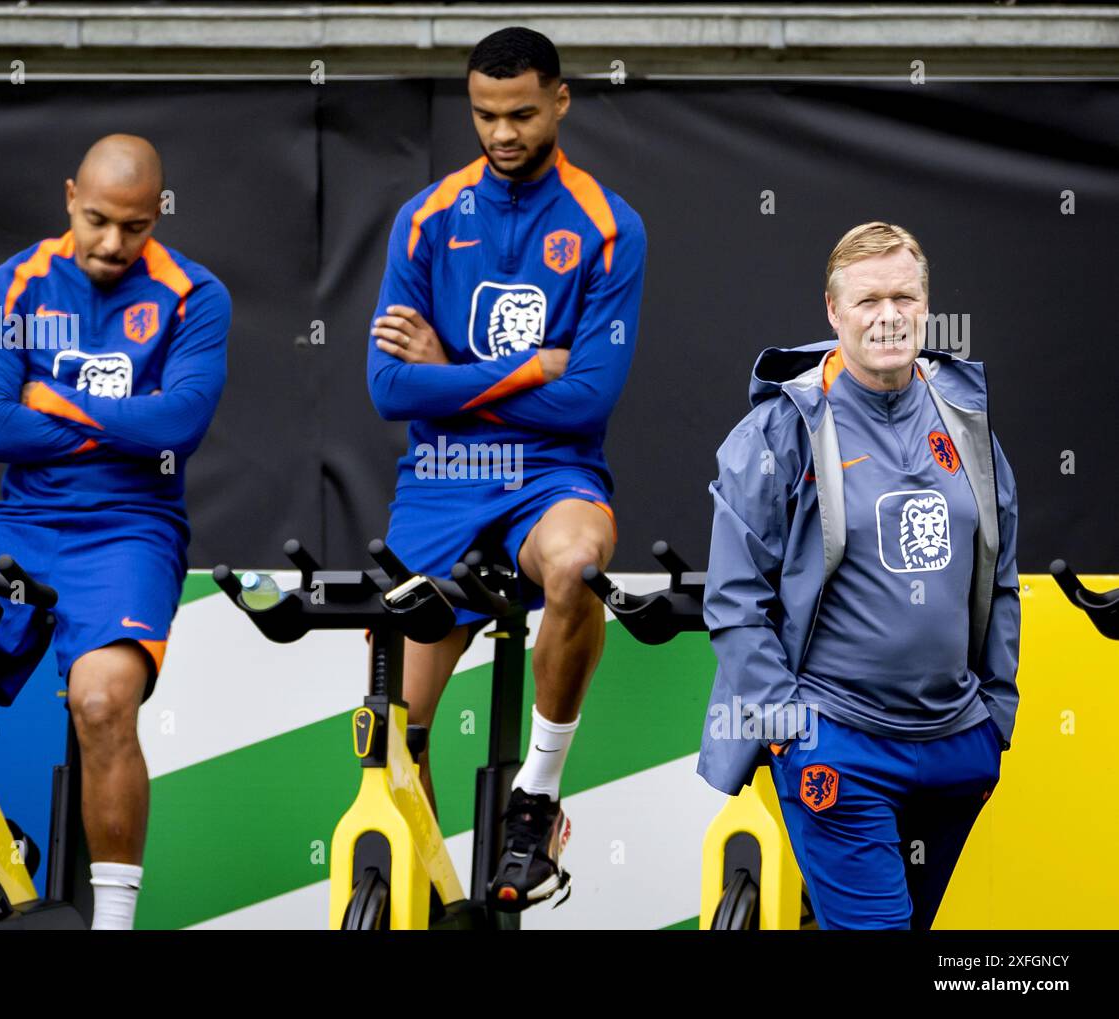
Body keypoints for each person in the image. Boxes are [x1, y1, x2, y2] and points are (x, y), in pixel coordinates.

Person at [0, 134, 231, 930]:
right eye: (98, 219)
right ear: (69, 195)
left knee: (103, 699)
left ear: (159, 215)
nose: (113, 243)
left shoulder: (196, 296)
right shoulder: (12, 286)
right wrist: (122, 424)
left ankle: (111, 925)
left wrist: (52, 403)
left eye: (136, 226)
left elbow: (180, 423)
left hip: (132, 530)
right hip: (22, 526)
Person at [367, 26, 647, 910]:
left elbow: (588, 401)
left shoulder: (610, 226)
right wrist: (526, 366)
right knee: (388, 740)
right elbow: (385, 385)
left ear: (560, 101)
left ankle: (537, 798)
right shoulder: (425, 217)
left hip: (552, 477)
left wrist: (444, 371)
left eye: (522, 113)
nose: (502, 134)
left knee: (577, 562)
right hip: (442, 480)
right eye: (485, 114)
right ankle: (444, 901)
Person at [698, 221, 1019, 929]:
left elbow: (999, 576)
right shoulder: (780, 432)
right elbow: (733, 601)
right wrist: (791, 728)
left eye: (904, 297)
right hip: (839, 744)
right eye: (868, 300)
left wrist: (996, 717)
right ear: (833, 312)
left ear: (927, 308)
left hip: (957, 744)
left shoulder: (967, 422)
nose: (888, 315)